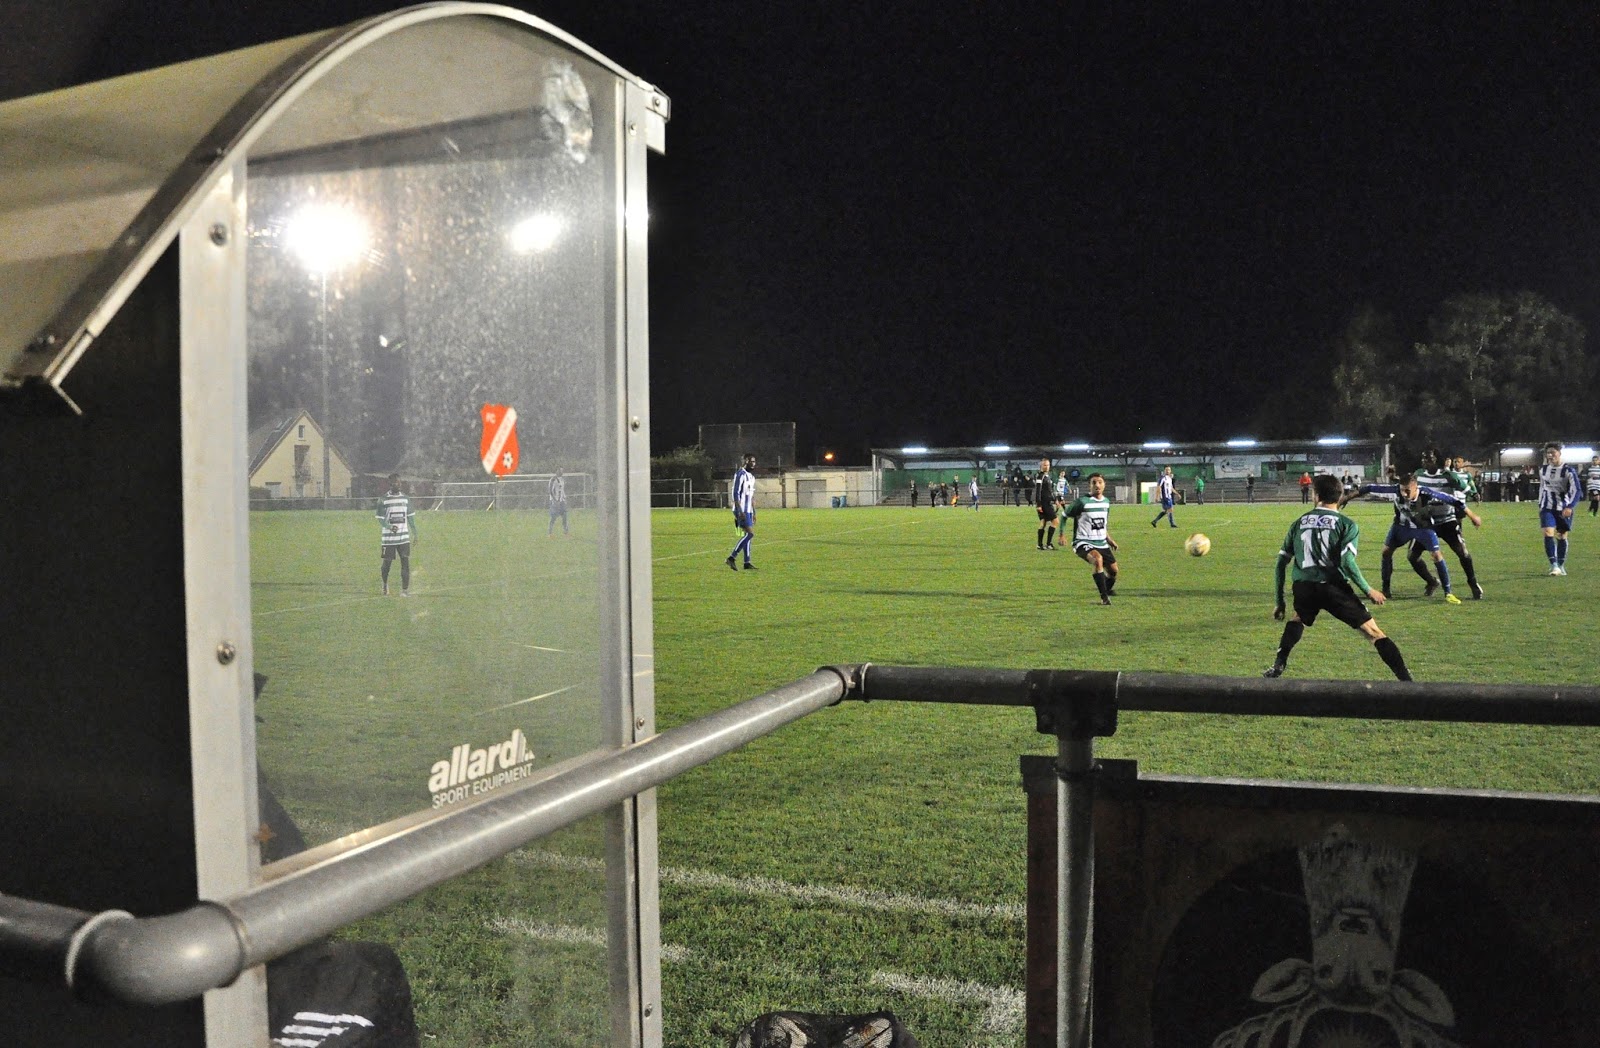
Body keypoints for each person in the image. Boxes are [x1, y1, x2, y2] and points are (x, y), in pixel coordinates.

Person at [1265, 473, 1411, 681]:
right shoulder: (1347, 524)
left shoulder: (1299, 522)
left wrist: (1279, 602)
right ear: (1340, 495)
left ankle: (1279, 663)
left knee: (1298, 617)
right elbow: (1346, 562)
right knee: (1373, 632)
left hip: (1304, 586)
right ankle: (1406, 681)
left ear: (1315, 496)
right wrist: (1368, 590)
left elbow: (1281, 563)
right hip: (1334, 588)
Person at [1339, 472, 1468, 603]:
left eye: (1408, 491)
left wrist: (1471, 515)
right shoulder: (1395, 491)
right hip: (1401, 527)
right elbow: (1369, 488)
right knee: (1386, 552)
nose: (1404, 494)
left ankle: (1448, 593)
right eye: (1402, 490)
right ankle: (1386, 589)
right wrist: (1346, 498)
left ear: (1416, 487)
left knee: (1436, 555)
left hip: (1423, 528)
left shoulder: (1427, 493)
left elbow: (1452, 500)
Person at [1062, 472, 1119, 604]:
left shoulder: (1106, 502)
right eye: (1094, 483)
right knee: (1097, 560)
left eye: (1100, 482)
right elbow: (1064, 515)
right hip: (1083, 541)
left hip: (1101, 542)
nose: (1097, 485)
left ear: (1104, 485)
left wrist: (1109, 540)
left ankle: (1106, 588)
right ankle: (1104, 597)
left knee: (1113, 571)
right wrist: (1062, 534)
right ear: (1089, 486)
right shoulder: (1081, 502)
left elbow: (1102, 524)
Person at [1536, 441, 1581, 575]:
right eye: (1548, 453)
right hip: (1547, 507)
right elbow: (1542, 488)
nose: (1550, 455)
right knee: (1548, 533)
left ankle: (1561, 565)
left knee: (1561, 536)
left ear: (1559, 453)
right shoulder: (1543, 470)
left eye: (1553, 453)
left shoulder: (1568, 471)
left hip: (1563, 508)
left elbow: (1577, 490)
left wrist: (1570, 506)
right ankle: (1554, 565)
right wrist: (1540, 504)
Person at [376, 473, 416, 596]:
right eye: (395, 483)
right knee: (387, 564)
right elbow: (380, 518)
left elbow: (410, 518)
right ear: (390, 484)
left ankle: (404, 590)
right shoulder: (383, 499)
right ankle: (384, 584)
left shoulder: (406, 499)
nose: (398, 485)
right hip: (388, 539)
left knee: (405, 563)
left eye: (399, 482)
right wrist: (389, 527)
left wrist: (415, 533)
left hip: (403, 538)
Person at [725, 454, 757, 570]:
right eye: (751, 461)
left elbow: (752, 497)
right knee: (750, 534)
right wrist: (739, 511)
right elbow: (735, 493)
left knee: (746, 535)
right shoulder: (740, 474)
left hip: (748, 510)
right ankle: (731, 558)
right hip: (741, 510)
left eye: (754, 461)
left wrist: (754, 512)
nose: (753, 464)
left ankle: (747, 562)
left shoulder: (752, 477)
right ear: (746, 461)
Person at [1033, 458, 1060, 549]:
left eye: (1048, 465)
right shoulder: (1040, 476)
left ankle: (1040, 545)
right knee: (1055, 521)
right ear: (1041, 466)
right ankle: (1048, 544)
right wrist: (1039, 504)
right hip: (1044, 503)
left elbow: (1050, 491)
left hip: (1047, 502)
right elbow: (1038, 490)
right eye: (1045, 465)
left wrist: (1055, 500)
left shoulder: (1047, 476)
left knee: (1043, 522)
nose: (1047, 467)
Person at [547, 467, 569, 535]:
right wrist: (554, 500)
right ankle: (550, 533)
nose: (562, 472)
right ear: (557, 471)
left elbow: (562, 490)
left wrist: (564, 498)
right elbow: (550, 491)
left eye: (562, 471)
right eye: (560, 470)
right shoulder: (553, 479)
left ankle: (566, 532)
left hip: (561, 501)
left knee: (565, 516)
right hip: (555, 501)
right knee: (553, 517)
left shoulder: (562, 479)